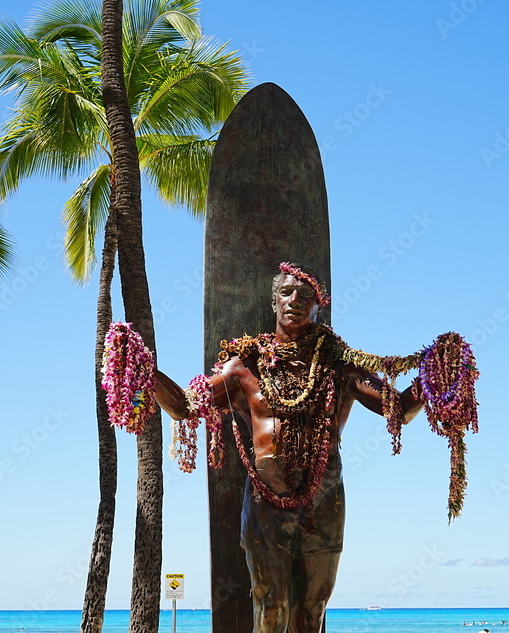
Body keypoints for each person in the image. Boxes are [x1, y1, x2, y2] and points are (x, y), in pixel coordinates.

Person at [155, 263, 427, 633]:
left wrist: (436, 372)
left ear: (319, 305)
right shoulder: (244, 368)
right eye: (286, 292)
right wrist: (145, 371)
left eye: (306, 295)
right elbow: (185, 406)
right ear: (274, 302)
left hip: (325, 500)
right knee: (272, 609)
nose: (295, 300)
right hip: (267, 504)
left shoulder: (339, 365)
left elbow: (400, 410)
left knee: (312, 612)